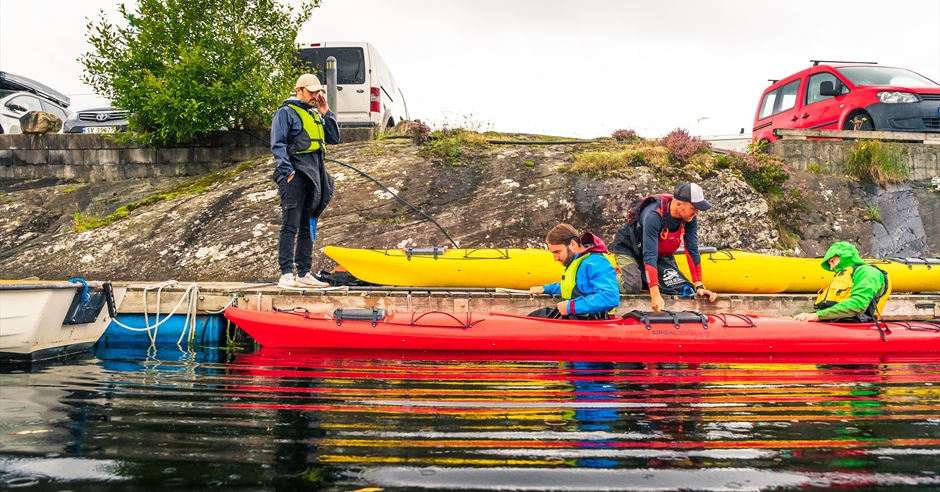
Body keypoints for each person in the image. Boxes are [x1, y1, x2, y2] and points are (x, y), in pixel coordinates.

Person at [271, 73, 341, 288]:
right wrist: (287, 171)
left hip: (315, 176)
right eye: (311, 92)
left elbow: (333, 138)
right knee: (290, 225)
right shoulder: (285, 113)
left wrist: (326, 113)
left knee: (307, 224)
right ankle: (286, 274)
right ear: (298, 90)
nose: (315, 95)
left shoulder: (315, 114)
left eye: (317, 92)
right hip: (295, 175)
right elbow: (278, 144)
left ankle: (303, 273)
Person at [609, 182, 718, 312]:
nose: (697, 212)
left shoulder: (689, 217)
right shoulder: (653, 215)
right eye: (693, 208)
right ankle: (610, 275)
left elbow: (692, 249)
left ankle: (642, 275)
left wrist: (699, 286)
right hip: (629, 248)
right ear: (678, 204)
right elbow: (649, 255)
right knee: (632, 286)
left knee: (678, 287)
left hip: (660, 253)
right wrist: (655, 295)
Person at [528, 223, 621, 319]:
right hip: (577, 317)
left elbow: (610, 297)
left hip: (593, 320)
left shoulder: (596, 262)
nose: (555, 258)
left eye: (557, 252)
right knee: (536, 315)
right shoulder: (576, 260)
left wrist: (571, 306)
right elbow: (575, 287)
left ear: (572, 244)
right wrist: (546, 289)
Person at [794, 242, 891, 322]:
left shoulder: (867, 272)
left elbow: (858, 305)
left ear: (843, 256)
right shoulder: (844, 275)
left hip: (859, 327)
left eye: (832, 261)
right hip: (834, 322)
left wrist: (818, 315)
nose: (832, 268)